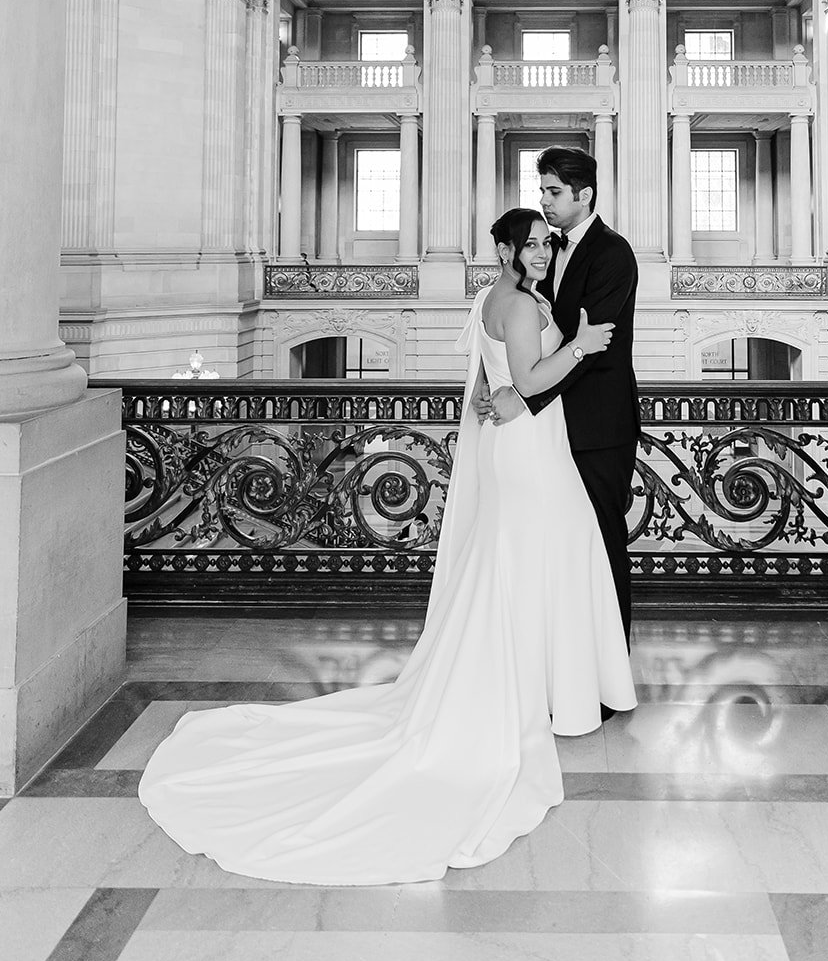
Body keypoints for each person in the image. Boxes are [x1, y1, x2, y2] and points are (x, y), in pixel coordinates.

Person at [137, 207, 635, 885]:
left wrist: (527, 376)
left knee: (522, 564)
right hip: (526, 453)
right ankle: (530, 695)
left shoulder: (505, 297)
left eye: (547, 244)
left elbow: (500, 386)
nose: (543, 253)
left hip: (516, 448)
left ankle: (537, 686)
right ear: (503, 248)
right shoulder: (518, 305)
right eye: (533, 244)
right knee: (536, 560)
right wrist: (578, 346)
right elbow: (525, 381)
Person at [487, 146, 641, 646]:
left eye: (554, 192)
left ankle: (610, 668)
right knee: (564, 552)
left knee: (602, 545)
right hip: (552, 428)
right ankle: (565, 661)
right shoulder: (547, 251)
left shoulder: (614, 253)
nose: (545, 201)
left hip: (599, 428)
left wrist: (523, 398)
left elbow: (593, 347)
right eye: (542, 191)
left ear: (585, 194)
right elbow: (532, 333)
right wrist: (494, 387)